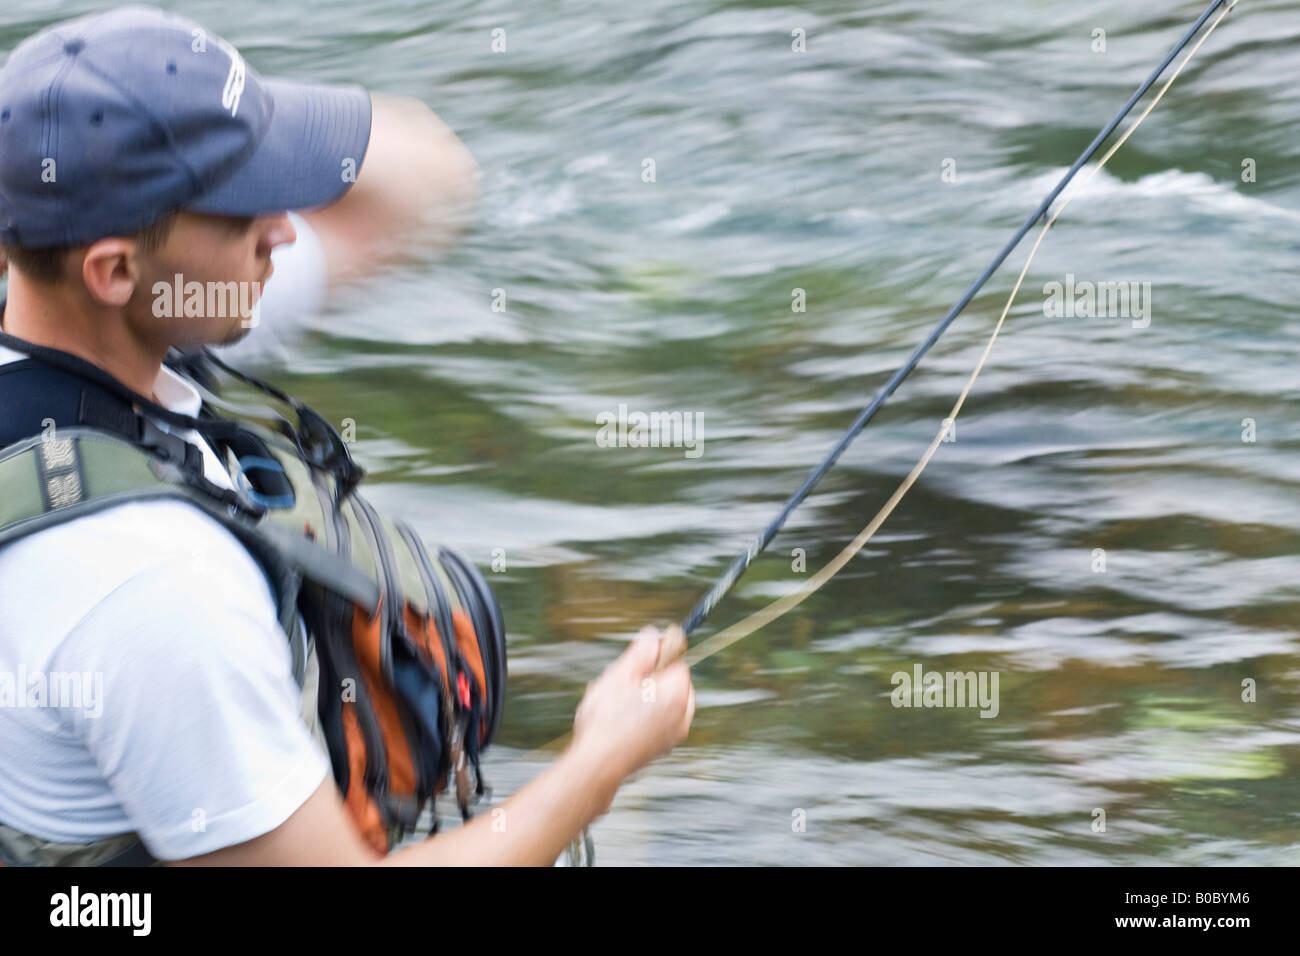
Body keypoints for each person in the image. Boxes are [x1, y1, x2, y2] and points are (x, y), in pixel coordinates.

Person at [0, 4, 694, 866]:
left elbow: (424, 178)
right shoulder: (154, 593)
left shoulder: (107, 309)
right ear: (112, 270)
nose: (286, 226)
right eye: (244, 204)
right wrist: (600, 763)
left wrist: (222, 113)